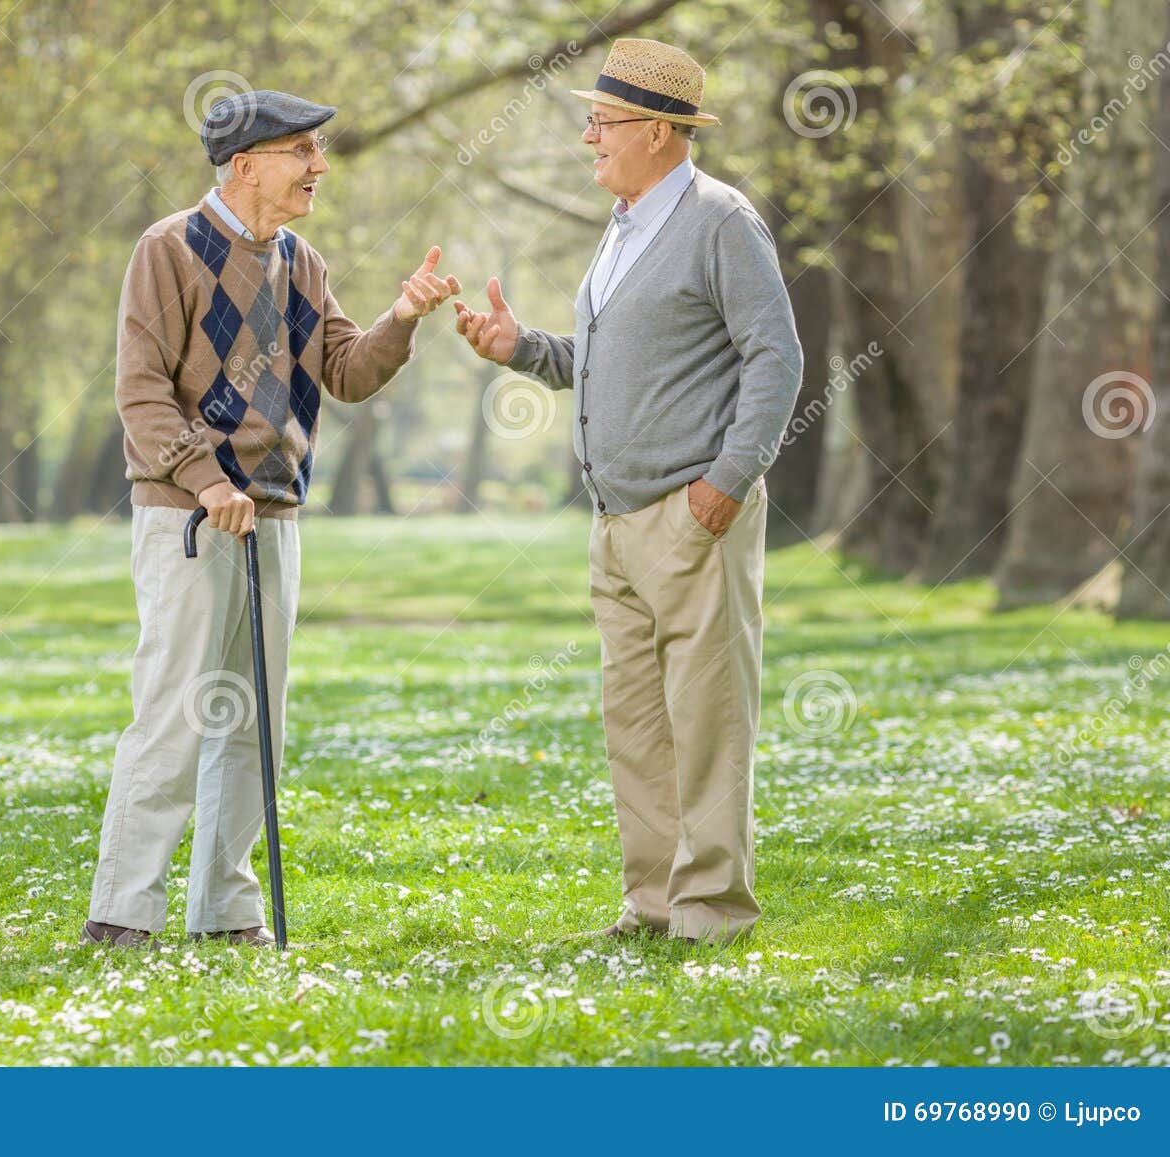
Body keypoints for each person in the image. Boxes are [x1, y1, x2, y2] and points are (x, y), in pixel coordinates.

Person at [83, 88, 460, 949]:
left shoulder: (301, 259)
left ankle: (224, 912)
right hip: (191, 517)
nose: (318, 168)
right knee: (175, 712)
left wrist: (401, 317)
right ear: (246, 164)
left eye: (318, 153)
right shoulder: (168, 249)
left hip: (276, 516)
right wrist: (206, 479)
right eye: (302, 152)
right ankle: (122, 914)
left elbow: (348, 371)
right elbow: (141, 390)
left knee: (257, 725)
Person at [454, 39, 802, 944]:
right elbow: (602, 364)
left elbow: (777, 358)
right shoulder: (623, 227)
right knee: (638, 725)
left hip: (693, 517)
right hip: (615, 526)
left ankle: (713, 913)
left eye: (603, 123)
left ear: (658, 131)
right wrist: (519, 347)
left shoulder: (723, 222)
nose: (587, 138)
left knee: (708, 720)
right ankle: (653, 906)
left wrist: (726, 484)